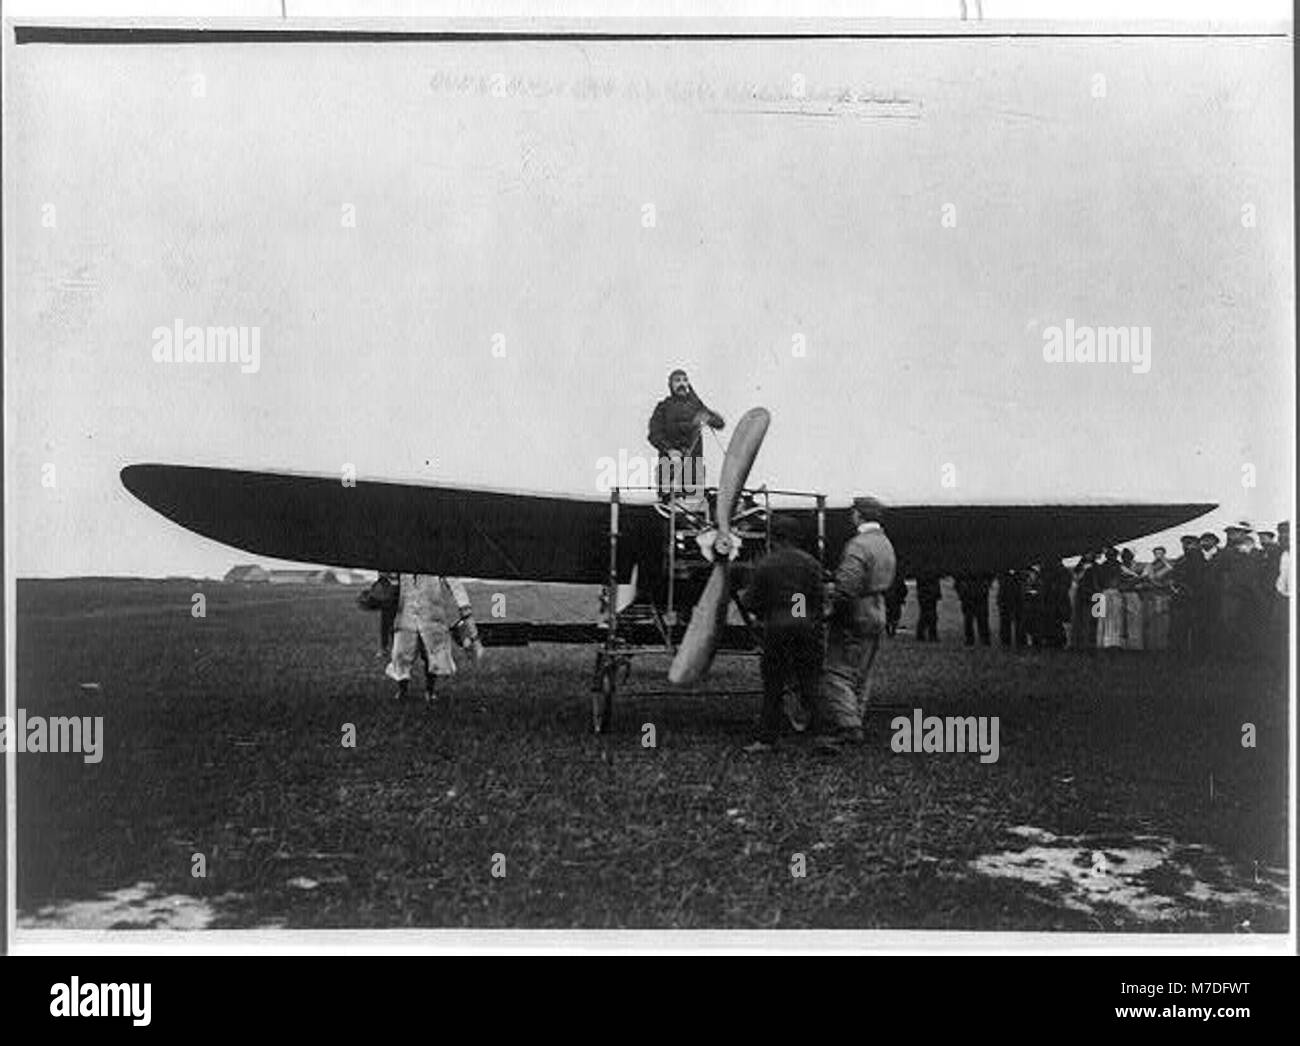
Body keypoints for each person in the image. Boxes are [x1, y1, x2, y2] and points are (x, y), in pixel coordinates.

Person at [738, 516, 824, 752]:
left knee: (773, 685)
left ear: (774, 538)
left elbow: (750, 601)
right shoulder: (811, 563)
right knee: (809, 682)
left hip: (777, 629)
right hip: (806, 628)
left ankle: (767, 737)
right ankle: (816, 734)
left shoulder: (766, 564)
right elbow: (819, 598)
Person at [819, 496, 897, 746]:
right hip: (877, 607)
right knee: (864, 670)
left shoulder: (858, 545)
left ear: (858, 515)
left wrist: (831, 611)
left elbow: (847, 586)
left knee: (837, 671)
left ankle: (848, 725)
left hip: (857, 611)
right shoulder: (885, 543)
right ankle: (856, 717)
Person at [385, 574, 480, 703]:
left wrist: (464, 606)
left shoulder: (437, 559)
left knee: (431, 653)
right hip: (406, 613)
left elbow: (454, 582)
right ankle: (403, 690)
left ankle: (430, 691)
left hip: (432, 613)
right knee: (400, 653)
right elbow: (391, 581)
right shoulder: (403, 560)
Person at [646, 368, 725, 500]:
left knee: (695, 508)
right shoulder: (663, 407)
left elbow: (719, 423)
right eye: (677, 380)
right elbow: (654, 434)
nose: (682, 384)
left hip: (693, 467)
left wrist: (707, 416)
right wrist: (669, 450)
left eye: (685, 380)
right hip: (669, 465)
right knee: (669, 507)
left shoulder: (696, 406)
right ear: (670, 385)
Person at [1142, 547, 1174, 650]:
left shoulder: (1168, 566)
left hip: (1164, 595)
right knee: (1152, 621)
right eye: (1156, 553)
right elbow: (1145, 577)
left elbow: (1171, 577)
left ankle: (1164, 645)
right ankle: (1153, 645)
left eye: (1161, 553)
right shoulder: (1149, 566)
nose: (1158, 555)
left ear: (1164, 554)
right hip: (1153, 595)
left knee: (1164, 620)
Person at [1095, 547, 1124, 650]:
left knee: (1104, 617)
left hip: (1104, 593)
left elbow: (1097, 582)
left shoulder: (1102, 566)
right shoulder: (1119, 566)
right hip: (1112, 592)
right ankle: (1113, 642)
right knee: (1113, 617)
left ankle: (1105, 641)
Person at [1070, 552, 1100, 651]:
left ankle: (1089, 642)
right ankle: (1083, 642)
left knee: (1091, 619)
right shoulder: (1086, 567)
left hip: (1092, 595)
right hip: (1086, 595)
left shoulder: (1094, 567)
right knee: (1083, 619)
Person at [955, 573, 992, 646]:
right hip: (969, 589)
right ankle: (972, 639)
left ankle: (982, 639)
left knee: (981, 617)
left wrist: (987, 582)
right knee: (969, 618)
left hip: (978, 589)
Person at [1118, 549, 1144, 651]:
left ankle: (1135, 645)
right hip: (1122, 594)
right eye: (1124, 556)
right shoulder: (1119, 568)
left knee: (1134, 620)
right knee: (1122, 621)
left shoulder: (1137, 566)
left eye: (1128, 556)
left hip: (1133, 594)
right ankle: (1123, 645)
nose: (1126, 558)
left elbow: (1142, 581)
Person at [997, 569, 1024, 648]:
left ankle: (1020, 641)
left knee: (1020, 617)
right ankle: (1005, 641)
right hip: (1005, 590)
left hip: (1018, 590)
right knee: (1005, 617)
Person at [915, 572, 941, 642]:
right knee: (930, 615)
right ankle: (931, 635)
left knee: (925, 614)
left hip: (926, 593)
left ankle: (922, 634)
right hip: (928, 593)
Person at [884, 572, 909, 637]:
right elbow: (904, 590)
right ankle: (892, 630)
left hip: (889, 598)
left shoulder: (886, 577)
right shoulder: (898, 579)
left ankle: (889, 630)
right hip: (896, 599)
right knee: (895, 615)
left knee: (889, 614)